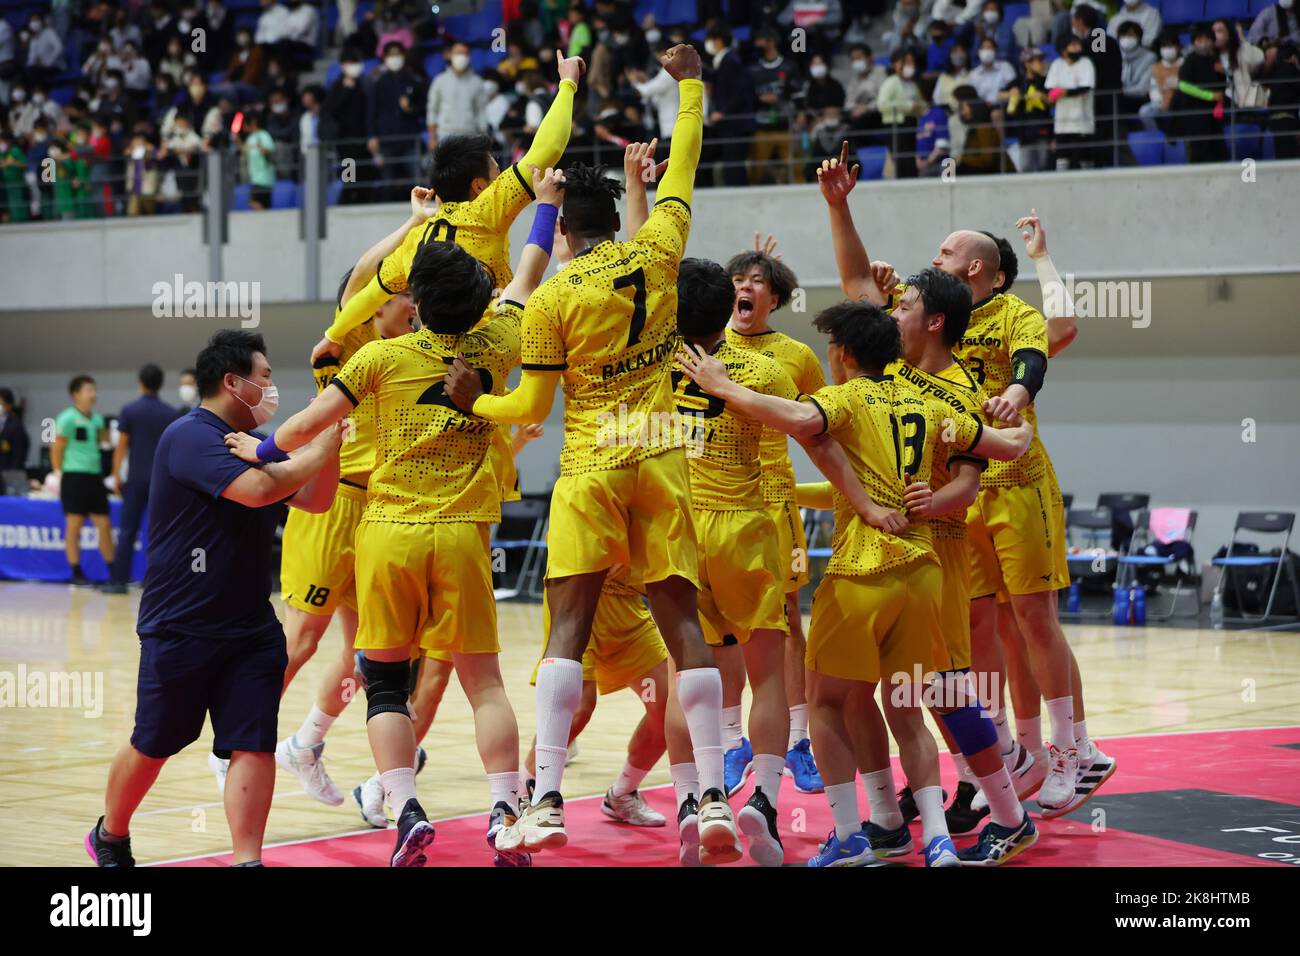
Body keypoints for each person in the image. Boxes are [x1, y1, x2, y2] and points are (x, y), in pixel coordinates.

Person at [444, 44, 743, 865]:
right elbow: (685, 160)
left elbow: (530, 406)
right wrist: (689, 83)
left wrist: (476, 401)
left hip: (594, 461)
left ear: (564, 227)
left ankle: (544, 802)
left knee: (565, 633)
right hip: (661, 453)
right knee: (684, 624)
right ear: (615, 217)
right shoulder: (661, 251)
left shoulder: (554, 297)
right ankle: (711, 796)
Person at [227, 176, 565, 867]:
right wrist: (547, 201)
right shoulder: (497, 342)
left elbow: (305, 423)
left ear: (416, 306)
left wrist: (254, 448)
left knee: (382, 680)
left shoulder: (381, 357)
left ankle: (404, 805)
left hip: (386, 533)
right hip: (463, 535)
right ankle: (506, 809)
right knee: (486, 683)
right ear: (477, 304)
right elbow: (530, 269)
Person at [676, 300, 1034, 868]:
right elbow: (1011, 445)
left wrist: (724, 387)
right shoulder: (926, 401)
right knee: (906, 707)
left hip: (863, 572)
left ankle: (850, 834)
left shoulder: (844, 398)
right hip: (923, 573)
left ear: (842, 354)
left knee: (823, 702)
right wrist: (1014, 409)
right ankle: (933, 838)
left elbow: (798, 421)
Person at [85, 330, 343, 867]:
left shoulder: (262, 445)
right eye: (266, 377)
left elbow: (316, 499)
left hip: (249, 628)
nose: (273, 388)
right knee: (155, 742)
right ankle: (110, 834)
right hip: (181, 626)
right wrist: (317, 442)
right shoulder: (191, 437)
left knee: (252, 743)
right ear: (234, 382)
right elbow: (259, 491)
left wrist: (332, 444)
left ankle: (249, 860)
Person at [265, 197, 424, 808]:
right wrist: (410, 226)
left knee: (370, 651)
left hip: (381, 514)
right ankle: (235, 746)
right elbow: (362, 279)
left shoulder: (410, 352)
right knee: (299, 640)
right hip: (332, 506)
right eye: (401, 295)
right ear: (371, 308)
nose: (411, 304)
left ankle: (306, 744)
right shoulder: (347, 346)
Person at [673, 257, 808, 866]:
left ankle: (694, 802)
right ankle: (766, 805)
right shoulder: (767, 372)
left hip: (677, 525)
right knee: (769, 672)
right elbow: (819, 434)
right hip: (747, 526)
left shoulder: (655, 365)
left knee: (688, 674)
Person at [317, 49, 584, 351]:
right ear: (479, 185)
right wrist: (567, 85)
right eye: (497, 169)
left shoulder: (417, 239)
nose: (502, 174)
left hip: (432, 352)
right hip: (492, 344)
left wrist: (332, 336)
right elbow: (547, 149)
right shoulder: (487, 208)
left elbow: (369, 296)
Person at [723, 245, 827, 797]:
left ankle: (797, 740)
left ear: (776, 297)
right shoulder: (702, 343)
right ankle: (730, 741)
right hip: (713, 498)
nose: (744, 287)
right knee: (716, 618)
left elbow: (823, 428)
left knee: (785, 616)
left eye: (756, 280)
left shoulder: (796, 355)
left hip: (774, 495)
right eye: (737, 279)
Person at [102, 365, 180, 594]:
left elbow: (121, 446)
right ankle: (158, 582)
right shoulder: (169, 413)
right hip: (161, 480)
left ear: (141, 383)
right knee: (160, 532)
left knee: (127, 531)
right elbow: (172, 448)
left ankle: (119, 582)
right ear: (160, 384)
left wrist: (116, 475)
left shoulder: (130, 410)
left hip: (135, 479)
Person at [53, 375, 114, 586]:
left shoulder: (97, 420)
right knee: (74, 524)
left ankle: (113, 571)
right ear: (75, 394)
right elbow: (57, 448)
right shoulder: (66, 418)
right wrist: (57, 471)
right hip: (73, 477)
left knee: (104, 523)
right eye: (88, 390)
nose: (93, 394)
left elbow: (104, 445)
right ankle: (76, 572)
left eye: (94, 390)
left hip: (94, 477)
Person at [1046, 31, 1096, 169]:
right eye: (1073, 45)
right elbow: (1050, 88)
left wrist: (1064, 91)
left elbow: (1086, 87)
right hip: (1062, 121)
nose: (1077, 48)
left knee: (1084, 157)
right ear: (1063, 50)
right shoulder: (1057, 64)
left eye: (1078, 44)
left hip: (1082, 119)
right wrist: (1058, 93)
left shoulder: (1086, 63)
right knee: (1062, 157)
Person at [426, 41, 487, 149]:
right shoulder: (439, 81)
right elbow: (432, 110)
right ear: (450, 55)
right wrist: (432, 138)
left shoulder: (477, 82)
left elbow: (481, 110)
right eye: (458, 53)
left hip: (470, 135)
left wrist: (484, 136)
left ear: (469, 56)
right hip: (445, 135)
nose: (461, 57)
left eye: (465, 53)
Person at [0, 387, 29, 470]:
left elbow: (19, 452)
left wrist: (13, 472)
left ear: (9, 405)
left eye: (1, 404)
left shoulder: (15, 425)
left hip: (7, 470)